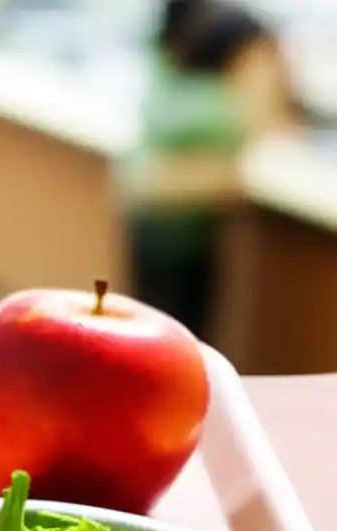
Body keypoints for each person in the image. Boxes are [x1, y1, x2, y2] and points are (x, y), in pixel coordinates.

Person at [120, 0, 295, 340]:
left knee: (178, 333)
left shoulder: (231, 38)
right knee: (155, 328)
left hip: (187, 226)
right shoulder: (184, 39)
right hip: (157, 224)